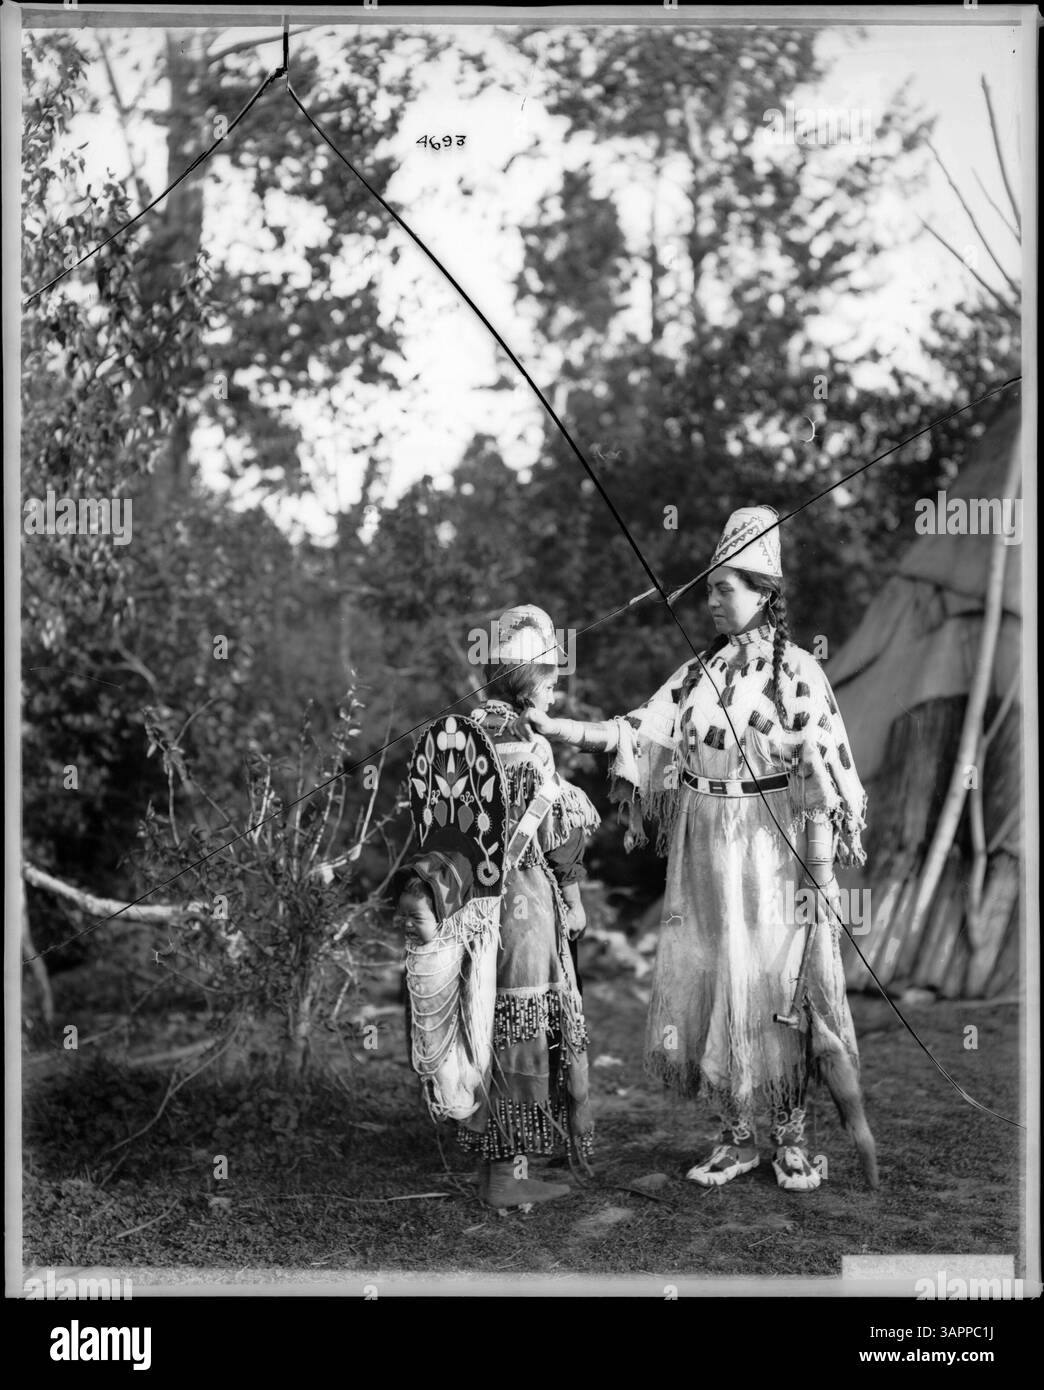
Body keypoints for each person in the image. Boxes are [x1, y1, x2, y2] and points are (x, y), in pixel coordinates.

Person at [526, 507, 869, 1192]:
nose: (712, 600)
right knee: (715, 981)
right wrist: (554, 724)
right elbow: (637, 732)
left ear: (765, 593)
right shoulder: (697, 674)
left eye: (725, 588)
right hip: (704, 849)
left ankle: (792, 1138)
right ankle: (735, 1136)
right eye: (709, 588)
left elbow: (823, 782)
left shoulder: (797, 675)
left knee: (779, 985)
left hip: (771, 853)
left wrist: (822, 880)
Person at [396, 605, 599, 1209]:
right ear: (525, 677)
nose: (557, 684)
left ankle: (493, 1169)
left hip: (470, 908)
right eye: (550, 674)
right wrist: (574, 896)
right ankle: (511, 1177)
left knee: (479, 1024)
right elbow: (559, 832)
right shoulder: (528, 741)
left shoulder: (457, 732)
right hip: (524, 905)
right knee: (518, 1031)